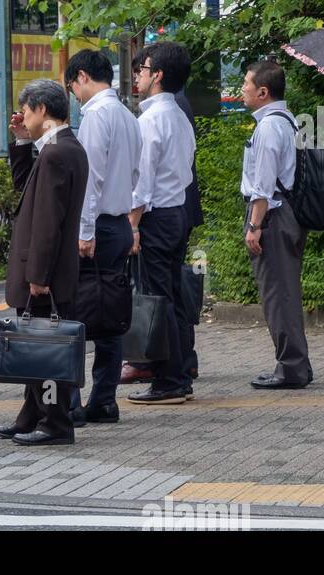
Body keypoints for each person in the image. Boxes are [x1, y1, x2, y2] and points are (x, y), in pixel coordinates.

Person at [0, 79, 89, 446]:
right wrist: (20, 141)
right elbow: (26, 190)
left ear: (42, 110)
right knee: (38, 344)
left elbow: (48, 220)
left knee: (47, 348)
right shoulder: (60, 148)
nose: (23, 117)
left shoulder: (56, 153)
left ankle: (55, 423)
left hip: (47, 270)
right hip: (52, 267)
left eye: (27, 111)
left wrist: (38, 275)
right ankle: (32, 413)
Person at [64, 50, 140, 425]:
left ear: (81, 77)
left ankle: (72, 403)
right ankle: (104, 400)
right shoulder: (128, 115)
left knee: (75, 313)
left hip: (96, 229)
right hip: (120, 225)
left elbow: (89, 178)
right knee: (109, 315)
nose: (75, 98)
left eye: (72, 88)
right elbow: (138, 175)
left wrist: (84, 230)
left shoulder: (95, 114)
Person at [124, 42, 197, 406]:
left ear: (158, 75)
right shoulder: (178, 115)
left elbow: (142, 180)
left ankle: (169, 381)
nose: (137, 74)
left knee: (160, 299)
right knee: (174, 298)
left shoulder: (151, 119)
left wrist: (133, 225)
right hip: (177, 213)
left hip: (156, 217)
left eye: (143, 68)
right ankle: (180, 376)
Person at [238, 60, 313, 390]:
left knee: (277, 294)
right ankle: (297, 364)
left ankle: (291, 367)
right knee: (286, 291)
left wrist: (254, 226)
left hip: (273, 217)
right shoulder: (289, 120)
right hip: (289, 215)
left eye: (246, 84)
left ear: (263, 91)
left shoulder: (269, 127)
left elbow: (263, 185)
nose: (242, 90)